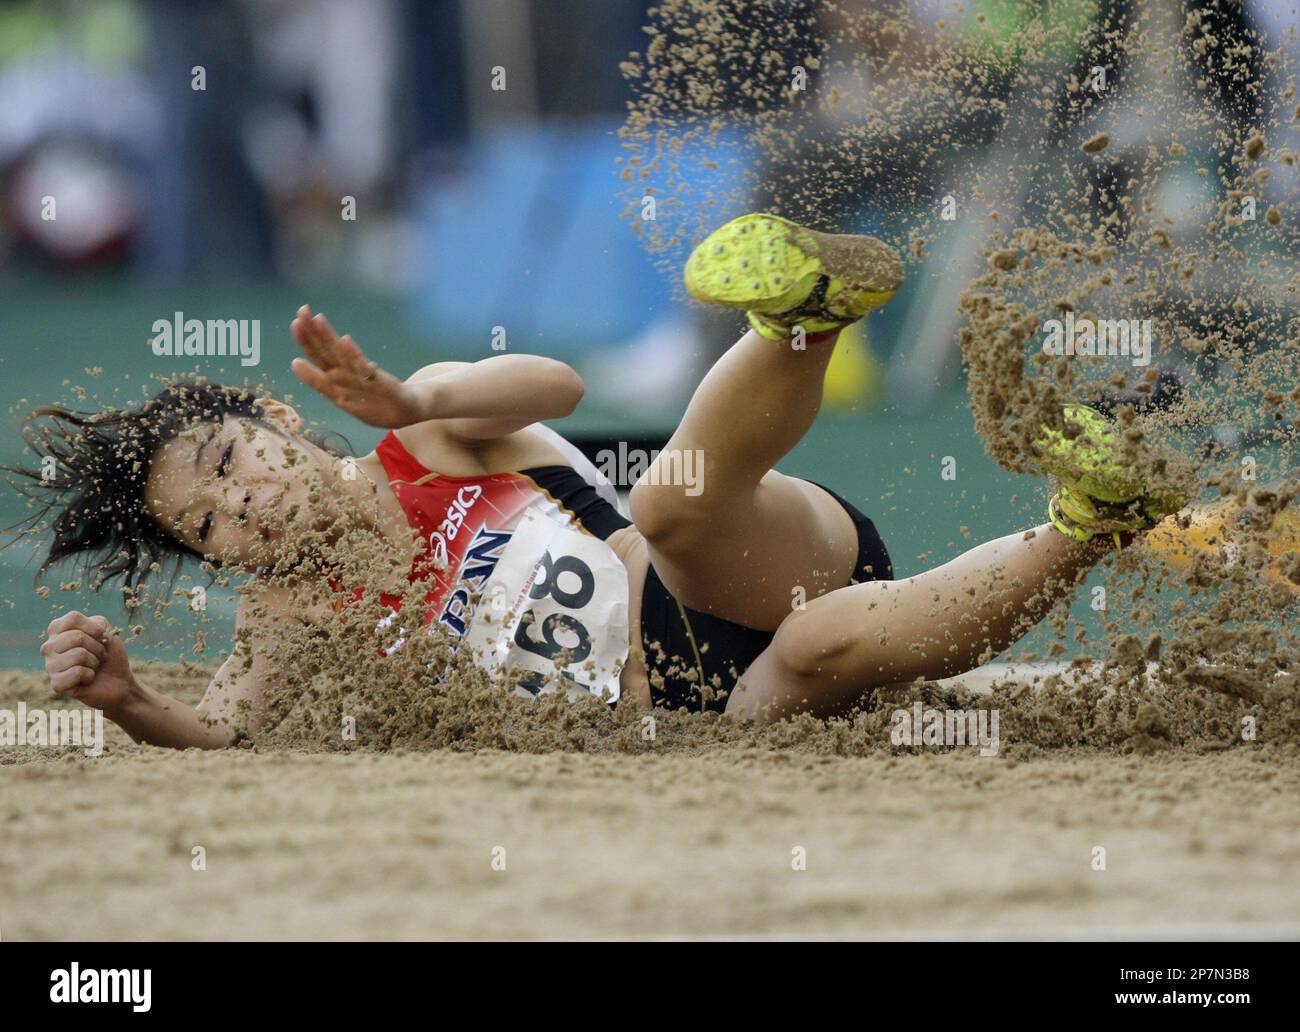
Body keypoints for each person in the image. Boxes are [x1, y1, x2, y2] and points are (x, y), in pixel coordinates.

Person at [14, 213, 1185, 747]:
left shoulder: (421, 437)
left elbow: (560, 387)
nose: (244, 508)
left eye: (231, 464)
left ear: (274, 417)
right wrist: (128, 702)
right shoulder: (284, 615)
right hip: (699, 714)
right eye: (206, 525)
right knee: (815, 650)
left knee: (669, 501)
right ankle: (1093, 520)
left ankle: (804, 317)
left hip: (725, 564)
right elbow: (224, 732)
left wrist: (420, 399)